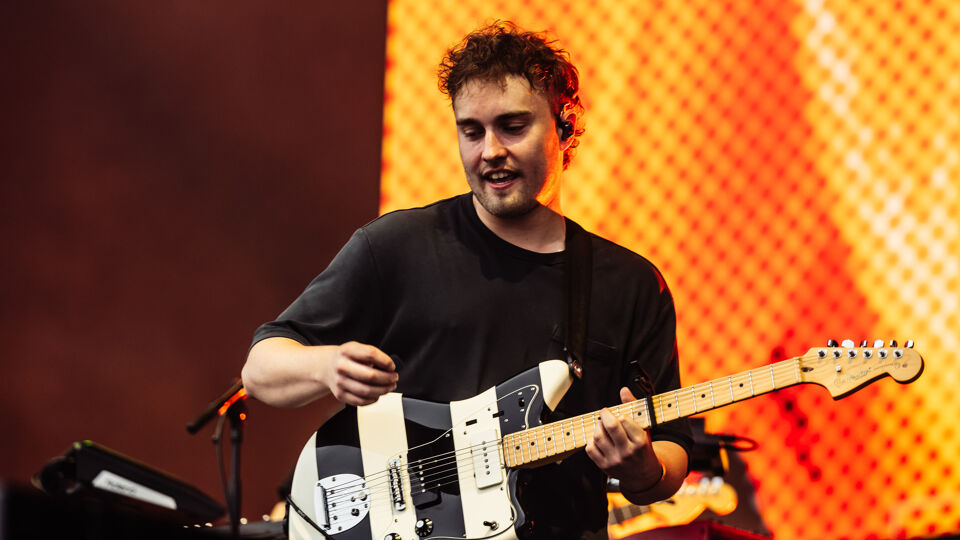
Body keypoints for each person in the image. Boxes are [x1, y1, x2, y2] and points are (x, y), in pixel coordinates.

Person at [241, 21, 691, 539]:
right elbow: (260, 369)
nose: (489, 151)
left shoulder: (631, 284)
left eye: (512, 126)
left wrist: (643, 469)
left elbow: (673, 445)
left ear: (565, 127)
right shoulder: (396, 245)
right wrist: (327, 365)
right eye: (472, 131)